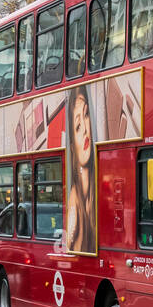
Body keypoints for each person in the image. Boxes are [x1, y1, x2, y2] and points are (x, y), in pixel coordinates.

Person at [63, 86, 97, 254]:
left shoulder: (93, 192)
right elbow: (65, 251)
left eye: (86, 114)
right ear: (72, 146)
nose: (84, 128)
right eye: (77, 127)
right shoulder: (74, 205)